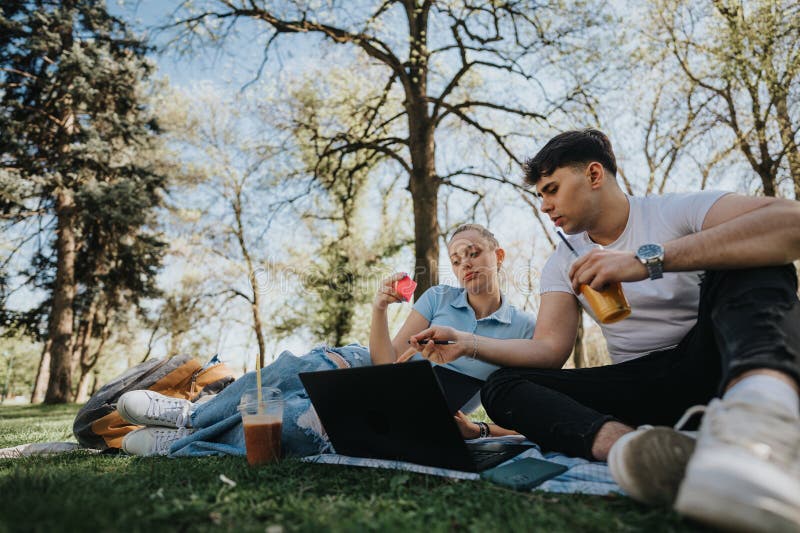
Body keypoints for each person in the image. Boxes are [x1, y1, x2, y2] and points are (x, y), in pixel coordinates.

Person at [408, 129, 800, 532]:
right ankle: (638, 452)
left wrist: (649, 260)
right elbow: (548, 350)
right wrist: (469, 343)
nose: (545, 206)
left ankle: (762, 426)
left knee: (758, 254)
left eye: (552, 189)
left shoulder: (674, 211)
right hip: (642, 386)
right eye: (540, 195)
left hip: (720, 359)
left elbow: (791, 223)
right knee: (503, 386)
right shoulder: (561, 262)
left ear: (594, 174)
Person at [115, 224, 535, 457]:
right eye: (457, 258)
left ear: (497, 256)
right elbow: (386, 360)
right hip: (370, 368)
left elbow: (529, 417)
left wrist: (478, 431)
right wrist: (378, 309)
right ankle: (191, 418)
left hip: (417, 410)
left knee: (299, 427)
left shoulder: (525, 329)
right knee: (290, 369)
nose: (465, 265)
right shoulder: (440, 296)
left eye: (475, 253)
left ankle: (184, 441)